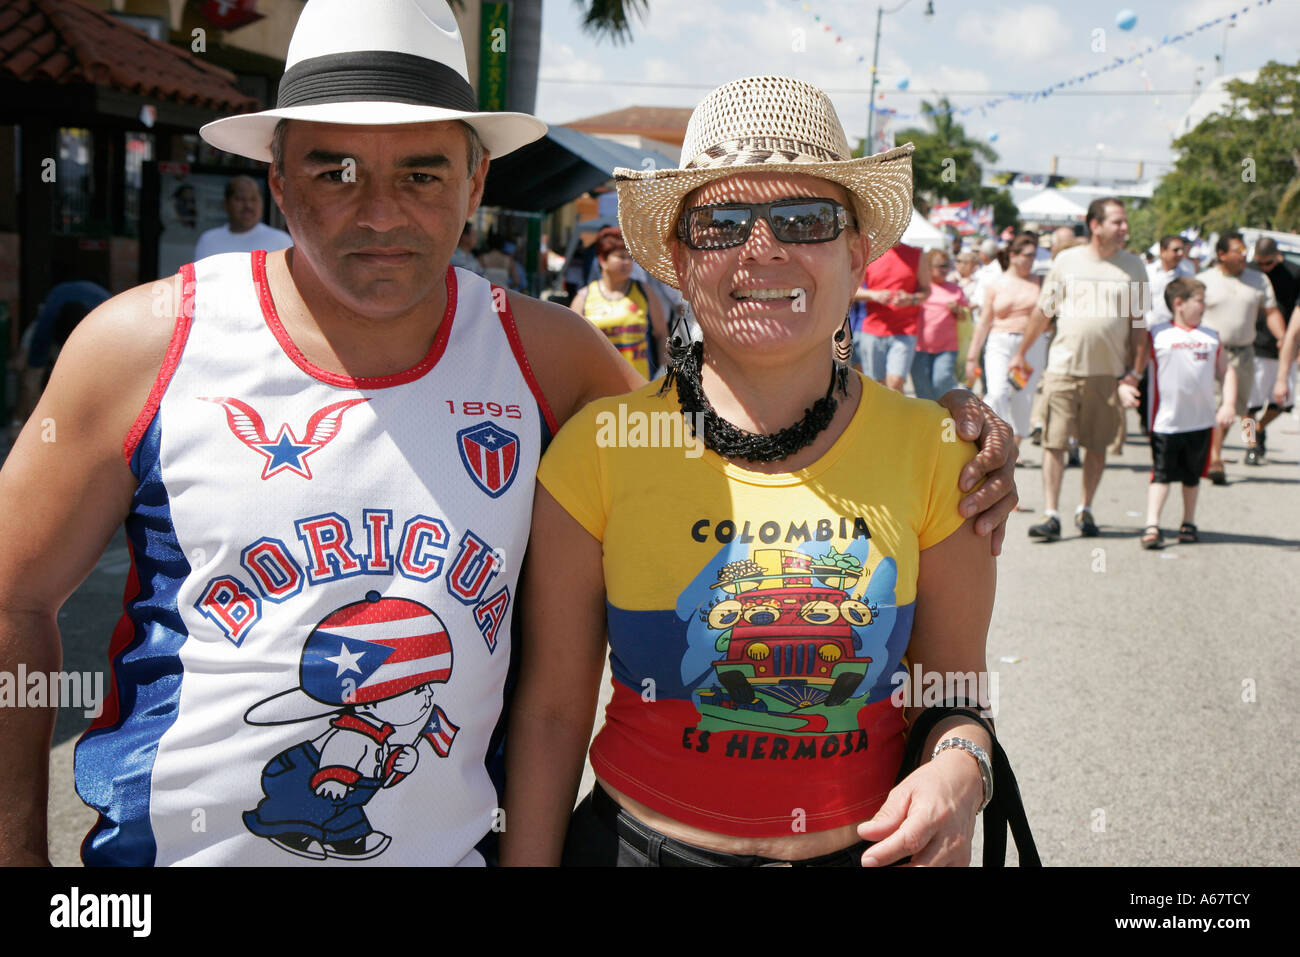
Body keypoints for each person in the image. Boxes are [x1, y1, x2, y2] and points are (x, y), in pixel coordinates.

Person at [0, 1, 1017, 868]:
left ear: (476, 185)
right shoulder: (141, 345)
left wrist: (955, 440)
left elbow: (731, 434)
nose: (380, 211)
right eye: (335, 169)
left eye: (423, 174)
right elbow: (12, 601)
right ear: (277, 175)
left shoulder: (549, 358)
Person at [503, 75, 1002, 868]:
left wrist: (961, 768)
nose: (762, 247)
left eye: (804, 219)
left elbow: (952, 695)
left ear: (857, 250)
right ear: (676, 256)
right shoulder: (601, 447)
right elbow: (554, 712)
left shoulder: (941, 452)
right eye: (721, 223)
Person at [1009, 198, 1148, 542]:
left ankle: (1085, 509)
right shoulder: (1066, 261)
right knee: (1054, 443)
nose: (1125, 228)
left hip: (1107, 373)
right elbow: (1044, 313)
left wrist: (1135, 373)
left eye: (1125, 221)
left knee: (1096, 445)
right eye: (1118, 221)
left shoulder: (1135, 266)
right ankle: (1051, 513)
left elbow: (1140, 325)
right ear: (1095, 225)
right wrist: (1021, 353)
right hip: (1062, 368)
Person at [1136, 278, 1236, 549]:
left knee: (1192, 476)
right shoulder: (1156, 334)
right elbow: (1136, 368)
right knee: (1161, 474)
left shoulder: (1211, 336)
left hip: (1201, 421)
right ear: (1179, 303)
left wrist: (1228, 404)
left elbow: (1227, 372)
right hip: (1166, 421)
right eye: (1199, 301)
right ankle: (1152, 523)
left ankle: (1188, 521)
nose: (1205, 306)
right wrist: (1127, 385)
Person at [1196, 232, 1283, 482]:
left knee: (1247, 407)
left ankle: (1250, 442)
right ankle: (1216, 458)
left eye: (1245, 250)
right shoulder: (1204, 280)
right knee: (1218, 405)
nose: (1244, 254)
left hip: (1247, 353)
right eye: (1238, 250)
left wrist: (1285, 340)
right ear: (1221, 255)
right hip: (1214, 353)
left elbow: (1271, 312)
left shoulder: (1259, 280)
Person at [966, 235, 1045, 460]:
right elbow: (983, 322)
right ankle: (995, 442)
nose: (1032, 260)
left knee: (1023, 397)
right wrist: (972, 356)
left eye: (1034, 255)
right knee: (997, 392)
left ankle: (1013, 445)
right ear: (1013, 256)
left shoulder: (1040, 282)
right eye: (1028, 255)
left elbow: (1048, 318)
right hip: (999, 341)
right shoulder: (995, 285)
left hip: (1031, 346)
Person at [9, 278, 110, 439]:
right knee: (23, 365)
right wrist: (38, 432)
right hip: (56, 311)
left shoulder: (109, 324)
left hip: (97, 316)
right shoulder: (44, 329)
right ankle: (18, 420)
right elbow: (31, 381)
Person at [569, 226, 668, 378]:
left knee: (625, 404)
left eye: (630, 257)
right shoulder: (583, 298)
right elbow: (572, 344)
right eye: (621, 257)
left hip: (639, 388)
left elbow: (661, 334)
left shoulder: (644, 291)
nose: (627, 262)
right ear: (602, 260)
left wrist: (663, 372)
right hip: (599, 389)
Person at [1246, 237, 1297, 463]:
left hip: (1285, 344)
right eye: (1260, 263)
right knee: (1248, 405)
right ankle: (1250, 446)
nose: (1264, 268)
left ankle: (1259, 427)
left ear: (1277, 255)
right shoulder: (1249, 272)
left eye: (1268, 263)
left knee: (1282, 402)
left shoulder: (1294, 273)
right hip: (1254, 345)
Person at [856, 241, 929, 392]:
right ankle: (882, 415)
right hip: (872, 329)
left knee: (895, 382)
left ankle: (895, 414)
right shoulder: (869, 253)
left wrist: (911, 298)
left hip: (905, 330)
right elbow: (851, 290)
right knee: (876, 385)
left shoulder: (916, 254)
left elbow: (926, 291)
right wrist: (874, 295)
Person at [911, 248, 967, 400]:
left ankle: (945, 416)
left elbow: (964, 318)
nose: (945, 269)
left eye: (947, 265)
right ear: (928, 267)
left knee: (941, 382)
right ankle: (928, 420)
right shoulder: (920, 288)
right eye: (941, 266)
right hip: (919, 348)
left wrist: (958, 310)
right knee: (923, 390)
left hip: (946, 348)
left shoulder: (955, 289)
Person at [193, 175, 292, 259]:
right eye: (240, 199)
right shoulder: (208, 241)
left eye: (253, 199)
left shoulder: (281, 241)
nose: (248, 206)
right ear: (226, 204)